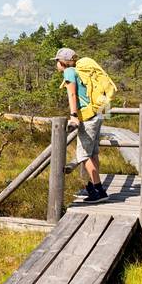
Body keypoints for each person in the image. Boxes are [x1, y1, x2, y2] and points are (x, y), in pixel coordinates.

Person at [52, 47, 107, 201]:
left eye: (56, 61)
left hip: (87, 117)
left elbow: (72, 94)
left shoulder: (69, 72)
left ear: (62, 62)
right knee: (93, 154)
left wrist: (73, 115)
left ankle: (97, 191)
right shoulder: (81, 71)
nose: (56, 64)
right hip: (96, 114)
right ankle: (97, 188)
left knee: (83, 156)